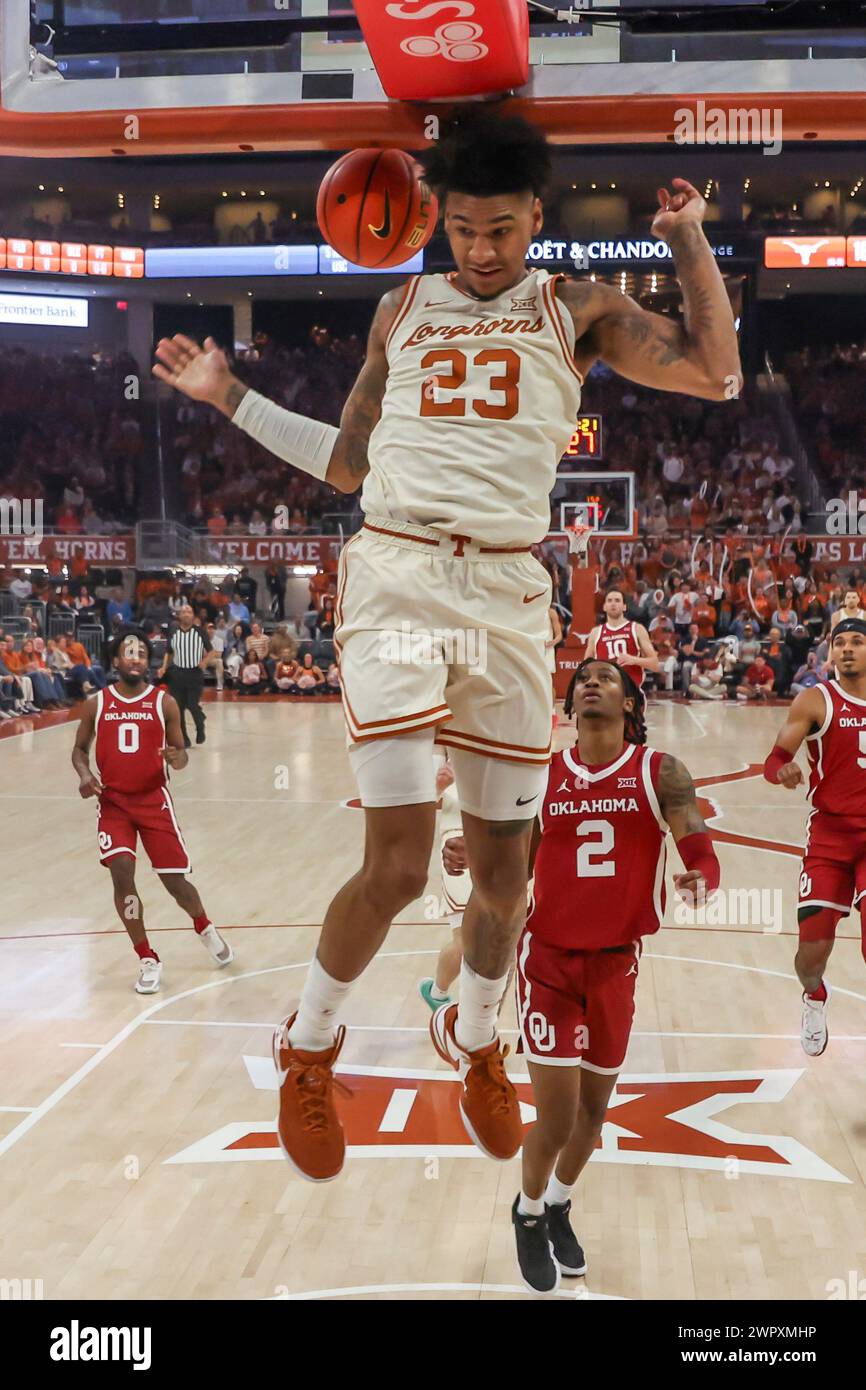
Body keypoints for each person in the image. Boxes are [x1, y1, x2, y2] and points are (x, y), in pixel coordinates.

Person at [153, 108, 741, 1182]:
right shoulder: (400, 306)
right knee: (396, 862)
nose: (480, 251)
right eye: (463, 229)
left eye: (502, 230)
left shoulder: (576, 309)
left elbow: (716, 374)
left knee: (507, 877)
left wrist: (689, 236)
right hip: (398, 575)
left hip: (510, 588)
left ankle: (475, 1041)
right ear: (438, 221)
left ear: (535, 219)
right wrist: (225, 394)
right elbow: (344, 466)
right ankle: (310, 1045)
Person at [511, 659, 719, 1292]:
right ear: (570, 705)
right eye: (582, 680)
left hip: (617, 962)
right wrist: (467, 858)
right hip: (546, 960)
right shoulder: (541, 774)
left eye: (606, 679)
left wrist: (700, 878)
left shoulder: (660, 771)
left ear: (631, 704)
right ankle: (525, 1213)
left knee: (594, 1117)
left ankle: (559, 1204)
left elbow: (699, 847)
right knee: (556, 1115)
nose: (590, 684)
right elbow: (516, 862)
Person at [71, 627, 233, 994]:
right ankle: (147, 956)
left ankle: (203, 925)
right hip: (114, 804)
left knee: (174, 882)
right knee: (122, 872)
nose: (136, 657)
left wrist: (178, 757)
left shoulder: (165, 703)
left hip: (154, 801)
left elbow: (181, 756)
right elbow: (79, 749)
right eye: (129, 652)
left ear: (148, 662)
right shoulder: (97, 703)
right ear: (115, 660)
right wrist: (84, 774)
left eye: (142, 653)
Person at [763, 619, 866, 1056]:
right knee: (812, 954)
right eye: (839, 642)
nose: (847, 649)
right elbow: (774, 759)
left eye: (857, 642)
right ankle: (814, 996)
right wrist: (782, 771)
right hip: (829, 837)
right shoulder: (815, 700)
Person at [418, 760, 471, 1011]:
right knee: (466, 943)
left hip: (500, 835)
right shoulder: (445, 731)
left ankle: (481, 1018)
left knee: (504, 940)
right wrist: (438, 785)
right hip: (458, 837)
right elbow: (422, 797)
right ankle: (438, 994)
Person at [584, 589, 660, 696]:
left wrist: (633, 660)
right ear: (604, 607)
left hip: (630, 693)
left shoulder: (637, 629)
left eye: (617, 600)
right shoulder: (596, 632)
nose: (613, 603)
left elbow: (655, 664)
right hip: (604, 694)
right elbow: (586, 666)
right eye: (609, 601)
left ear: (624, 606)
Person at [160, 604, 210, 746]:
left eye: (189, 611)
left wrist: (205, 661)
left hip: (195, 674)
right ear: (179, 616)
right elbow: (169, 652)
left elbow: (211, 651)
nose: (186, 614)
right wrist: (164, 667)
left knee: (192, 704)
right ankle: (184, 738)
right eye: (184, 612)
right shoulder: (174, 633)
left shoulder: (200, 632)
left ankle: (200, 725)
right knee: (178, 708)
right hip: (177, 674)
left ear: (193, 615)